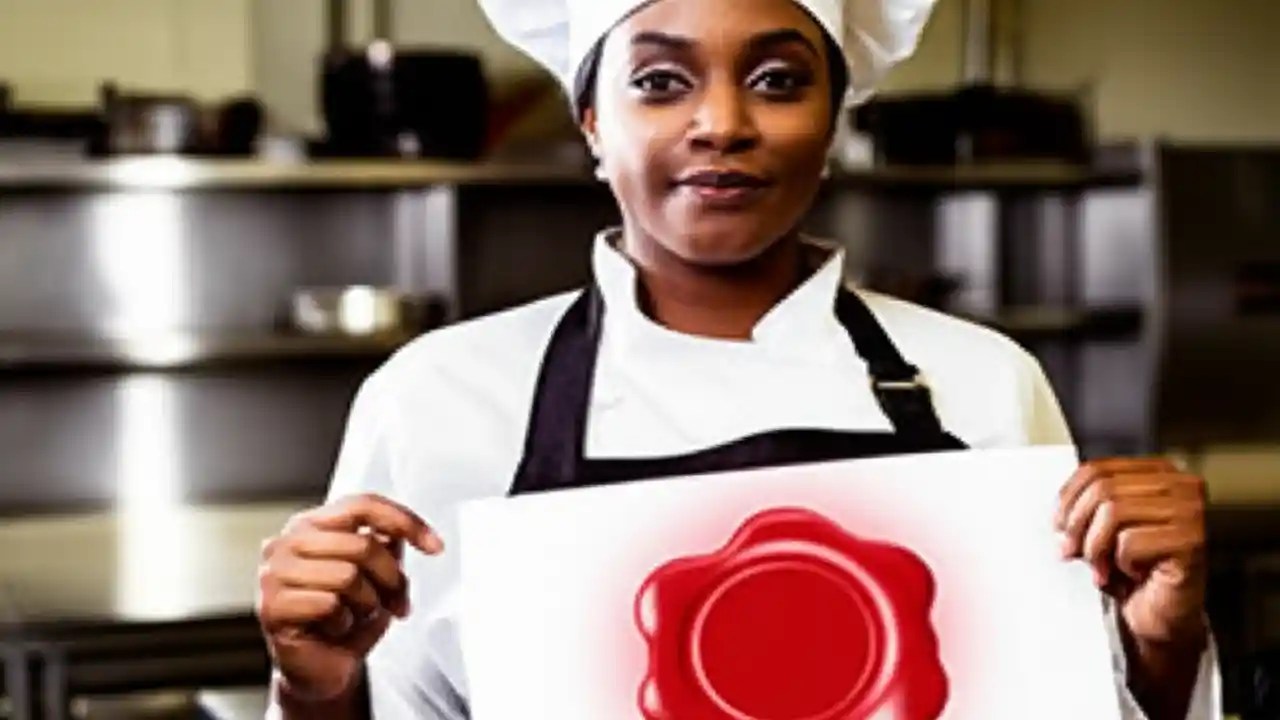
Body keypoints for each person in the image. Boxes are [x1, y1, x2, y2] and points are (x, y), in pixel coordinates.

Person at [256, 0, 1221, 718]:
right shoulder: (438, 396)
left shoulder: (981, 380)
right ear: (592, 122)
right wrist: (314, 686)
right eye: (660, 81)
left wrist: (1161, 636)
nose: (721, 122)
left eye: (777, 80)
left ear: (834, 123)